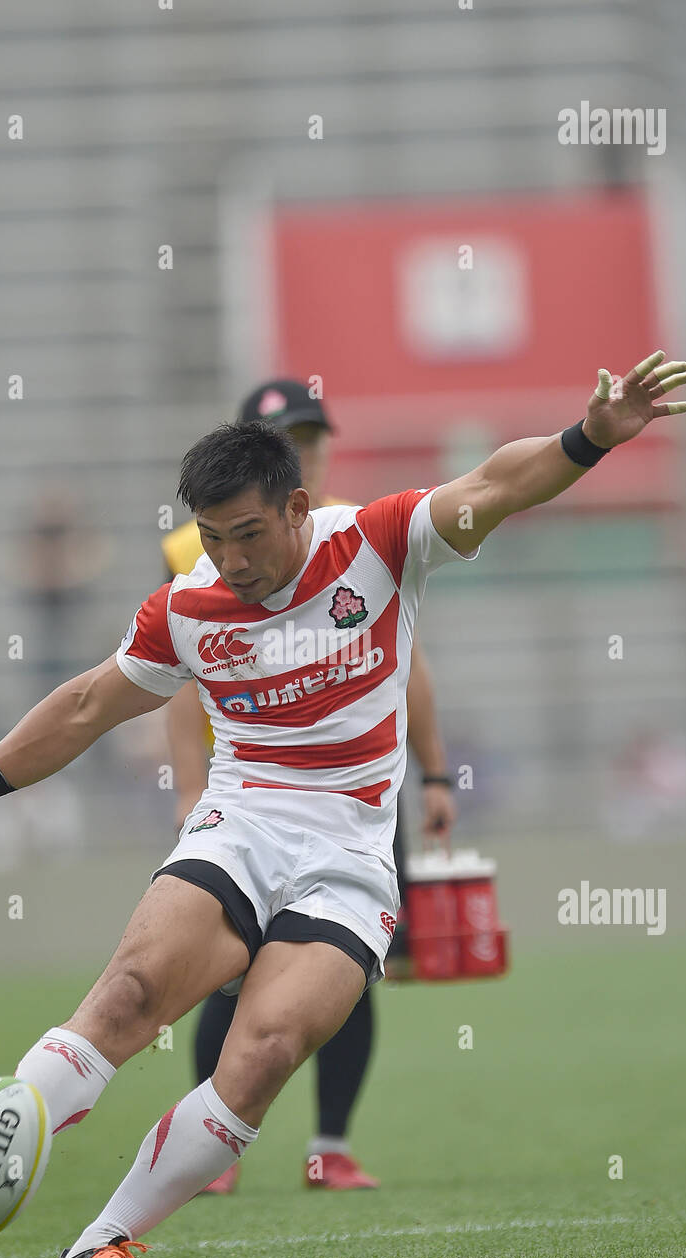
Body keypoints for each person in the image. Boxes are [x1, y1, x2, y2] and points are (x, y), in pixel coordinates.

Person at [0, 350, 686, 1258]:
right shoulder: (186, 608)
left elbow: (498, 484)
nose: (230, 559)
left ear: (298, 510)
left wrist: (592, 435)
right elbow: (81, 708)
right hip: (243, 822)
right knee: (127, 998)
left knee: (263, 1052)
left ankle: (96, 1251)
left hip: (352, 852)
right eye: (211, 537)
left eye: (247, 534)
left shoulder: (381, 542)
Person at [162, 379, 456, 1193]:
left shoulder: (366, 532)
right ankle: (207, 1150)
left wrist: (433, 771)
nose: (313, 449)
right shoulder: (200, 549)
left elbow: (411, 665)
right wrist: (189, 792)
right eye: (292, 435)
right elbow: (175, 682)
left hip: (357, 789)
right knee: (230, 965)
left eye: (315, 436)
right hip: (250, 796)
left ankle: (330, 1145)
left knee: (352, 966)